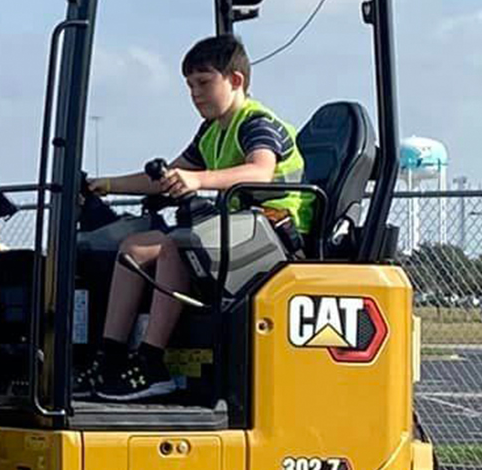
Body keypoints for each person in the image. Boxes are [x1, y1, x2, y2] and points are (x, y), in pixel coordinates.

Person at [77, 35, 311, 402]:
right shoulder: (212, 131)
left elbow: (260, 171)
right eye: (189, 85)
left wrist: (199, 180)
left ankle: (152, 365)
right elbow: (168, 175)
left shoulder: (257, 124)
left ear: (236, 80)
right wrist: (105, 184)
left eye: (203, 83)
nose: (195, 93)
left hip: (274, 231)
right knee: (133, 248)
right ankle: (111, 358)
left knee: (176, 245)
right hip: (239, 229)